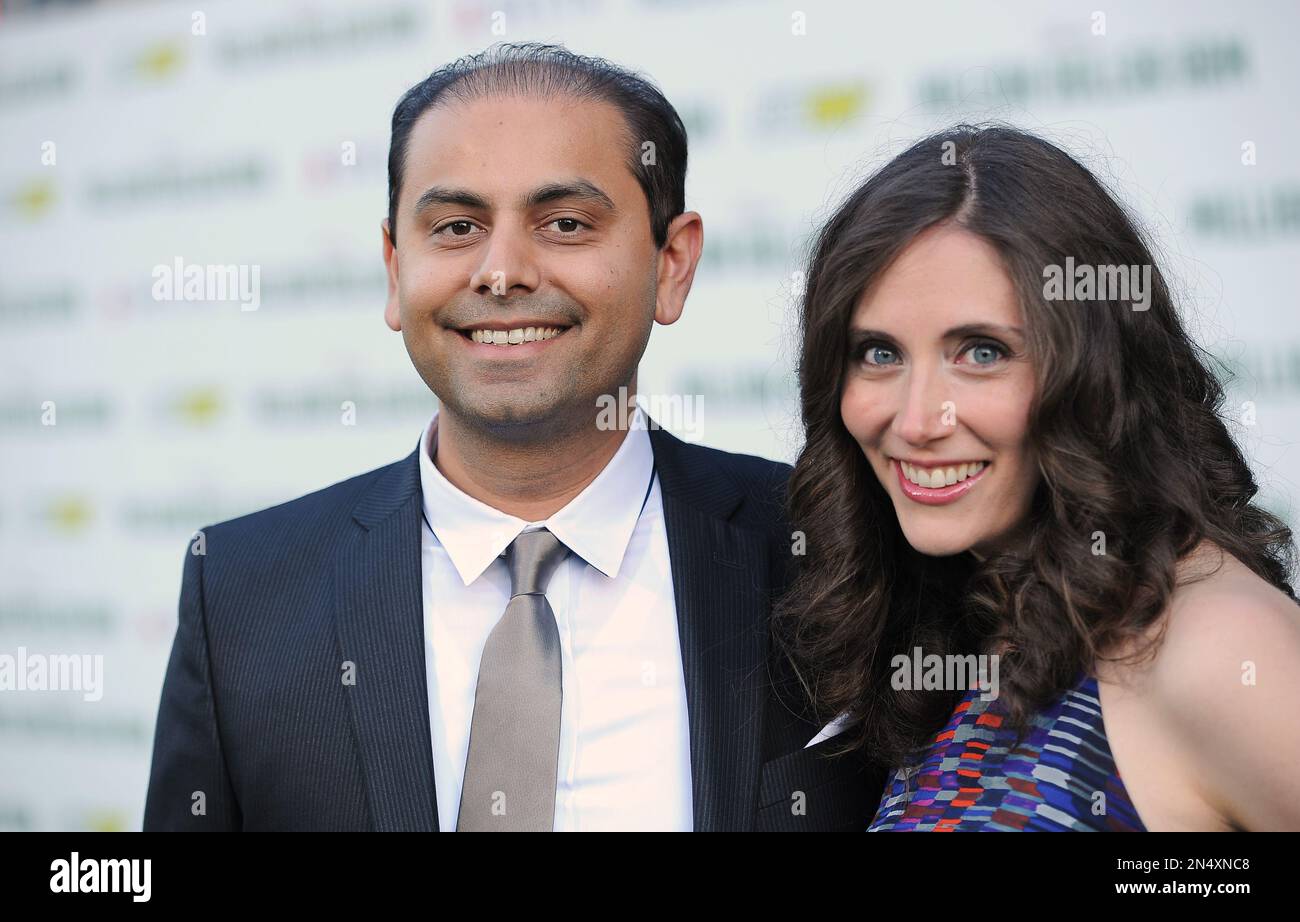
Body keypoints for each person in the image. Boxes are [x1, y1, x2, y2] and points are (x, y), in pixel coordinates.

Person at [143, 42, 877, 832]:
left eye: (564, 223)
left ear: (671, 263)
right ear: (395, 269)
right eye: (457, 226)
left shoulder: (833, 554)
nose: (501, 272)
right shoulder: (242, 595)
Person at [775, 124, 1300, 831]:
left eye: (983, 352)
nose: (919, 418)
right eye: (878, 353)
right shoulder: (978, 624)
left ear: (1097, 371)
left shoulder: (1217, 644)